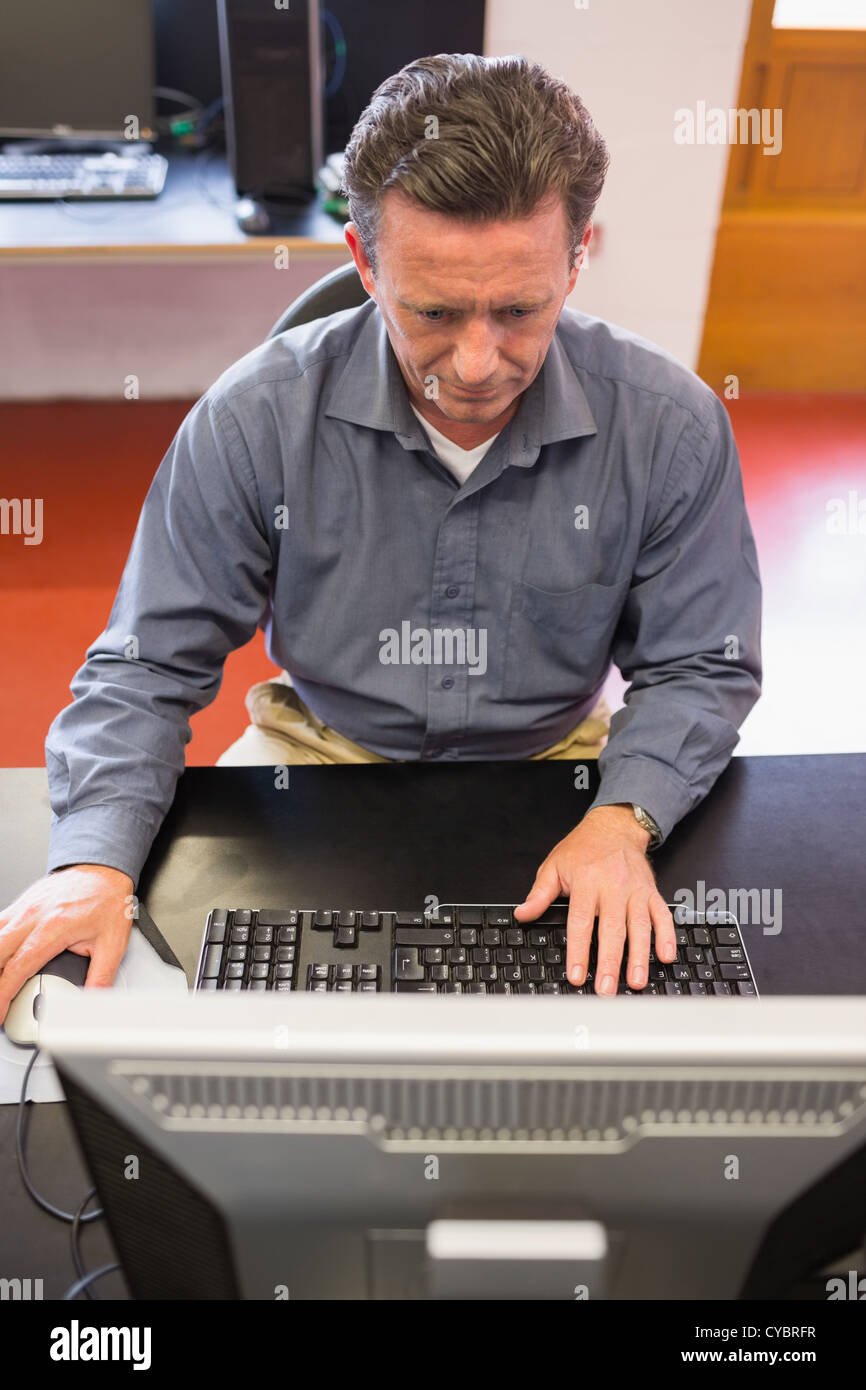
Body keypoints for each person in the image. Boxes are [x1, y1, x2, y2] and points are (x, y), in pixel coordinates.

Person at [0, 54, 761, 1021]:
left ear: (575, 263)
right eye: (434, 312)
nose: (479, 363)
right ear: (366, 267)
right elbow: (147, 666)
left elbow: (702, 662)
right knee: (167, 1018)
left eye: (521, 310)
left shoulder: (670, 424)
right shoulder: (254, 420)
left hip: (560, 765)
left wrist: (622, 817)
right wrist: (93, 862)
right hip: (315, 753)